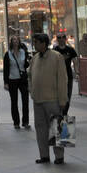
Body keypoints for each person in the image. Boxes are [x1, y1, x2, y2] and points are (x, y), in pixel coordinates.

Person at [30, 33, 69, 165]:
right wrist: (32, 91)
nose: (34, 45)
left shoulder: (56, 57)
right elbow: (30, 76)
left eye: (36, 42)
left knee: (56, 128)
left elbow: (63, 80)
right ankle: (44, 155)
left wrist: (63, 100)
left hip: (53, 99)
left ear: (43, 43)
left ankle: (59, 156)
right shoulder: (34, 58)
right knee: (40, 129)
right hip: (38, 100)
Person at [3, 35, 30, 130]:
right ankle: (16, 122)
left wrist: (29, 61)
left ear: (19, 41)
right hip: (12, 79)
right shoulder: (8, 54)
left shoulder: (24, 52)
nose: (15, 41)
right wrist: (5, 82)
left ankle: (25, 121)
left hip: (22, 79)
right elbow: (6, 69)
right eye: (13, 39)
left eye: (17, 39)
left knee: (25, 101)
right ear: (11, 42)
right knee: (14, 102)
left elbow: (26, 65)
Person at [53, 32, 78, 107]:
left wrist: (77, 72)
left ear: (65, 39)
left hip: (68, 76)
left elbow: (75, 61)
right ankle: (60, 112)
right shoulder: (54, 50)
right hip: (57, 76)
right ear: (57, 40)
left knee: (67, 95)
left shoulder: (70, 50)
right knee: (59, 95)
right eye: (59, 38)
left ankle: (65, 113)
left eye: (63, 37)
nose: (61, 39)